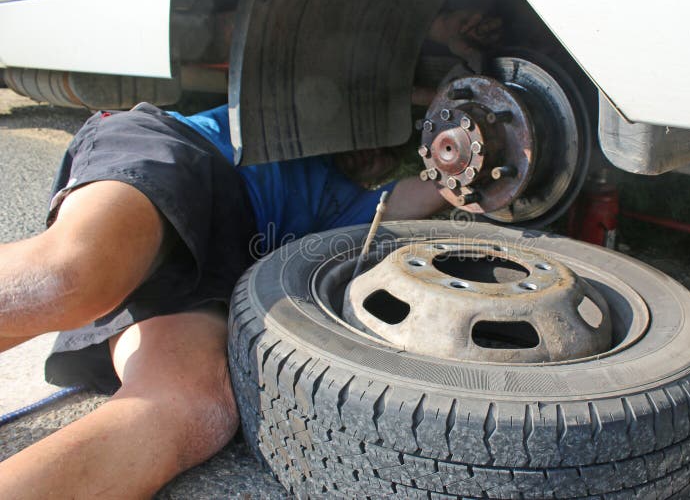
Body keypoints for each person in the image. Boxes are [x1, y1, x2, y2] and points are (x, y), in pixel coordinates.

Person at [0, 101, 447, 498]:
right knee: (65, 279)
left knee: (194, 409)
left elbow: (432, 188)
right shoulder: (294, 115)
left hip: (215, 263)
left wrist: (467, 159)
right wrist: (432, 83)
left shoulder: (350, 206)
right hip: (185, 159)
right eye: (372, 132)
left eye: (386, 152)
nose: (371, 150)